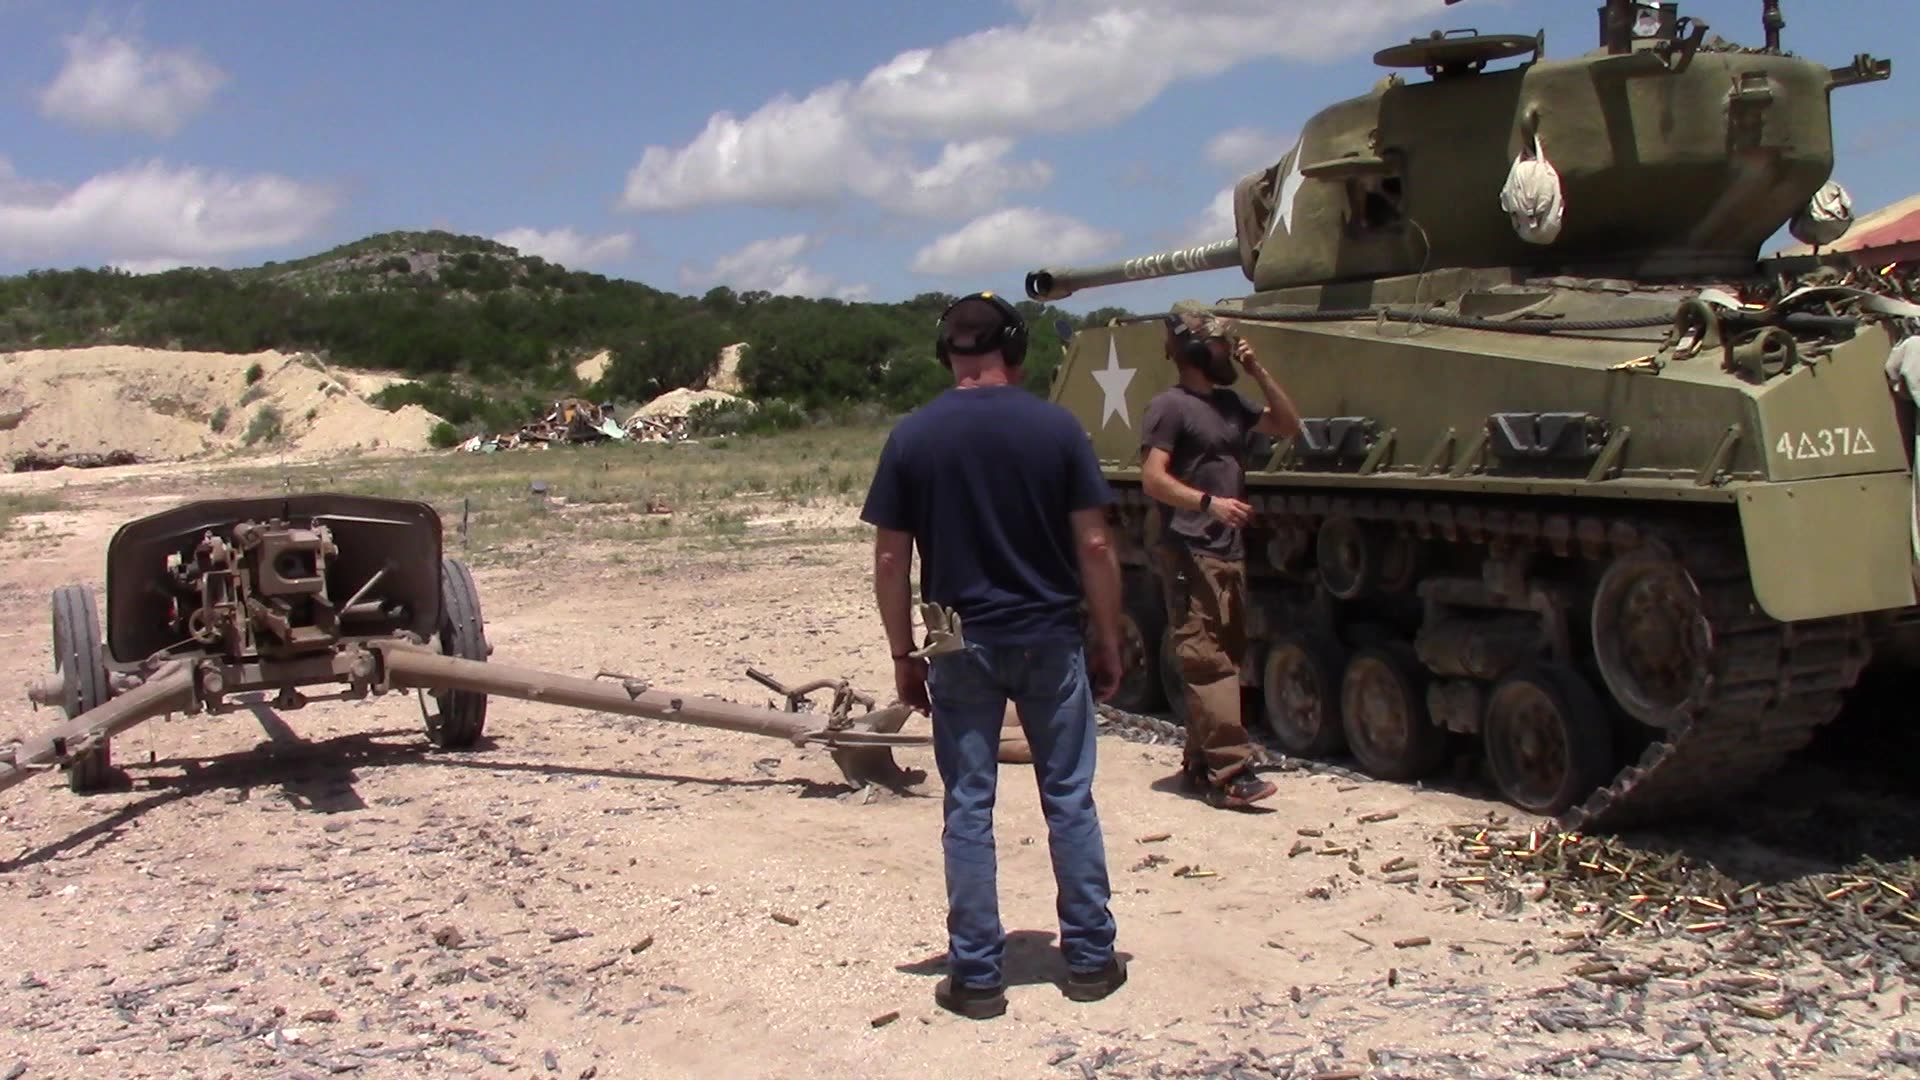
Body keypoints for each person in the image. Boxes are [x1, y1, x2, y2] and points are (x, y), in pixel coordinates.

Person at [860, 291, 1128, 1021]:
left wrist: (901, 653)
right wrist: (1107, 637)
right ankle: (1090, 961)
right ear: (1015, 348)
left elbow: (891, 560)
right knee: (1069, 795)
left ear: (945, 352)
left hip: (958, 642)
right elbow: (1096, 544)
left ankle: (977, 976)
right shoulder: (1059, 429)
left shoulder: (914, 436)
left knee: (969, 804)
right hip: (1050, 637)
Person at [1140, 299, 1303, 810]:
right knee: (1207, 658)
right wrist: (1208, 503)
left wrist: (1257, 368)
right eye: (1218, 341)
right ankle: (1231, 771)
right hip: (1190, 547)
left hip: (1225, 550)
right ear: (1193, 348)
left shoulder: (1231, 404)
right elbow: (1153, 478)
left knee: (1226, 654)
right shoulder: (1170, 406)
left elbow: (1288, 424)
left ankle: (1198, 762)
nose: (1226, 348)